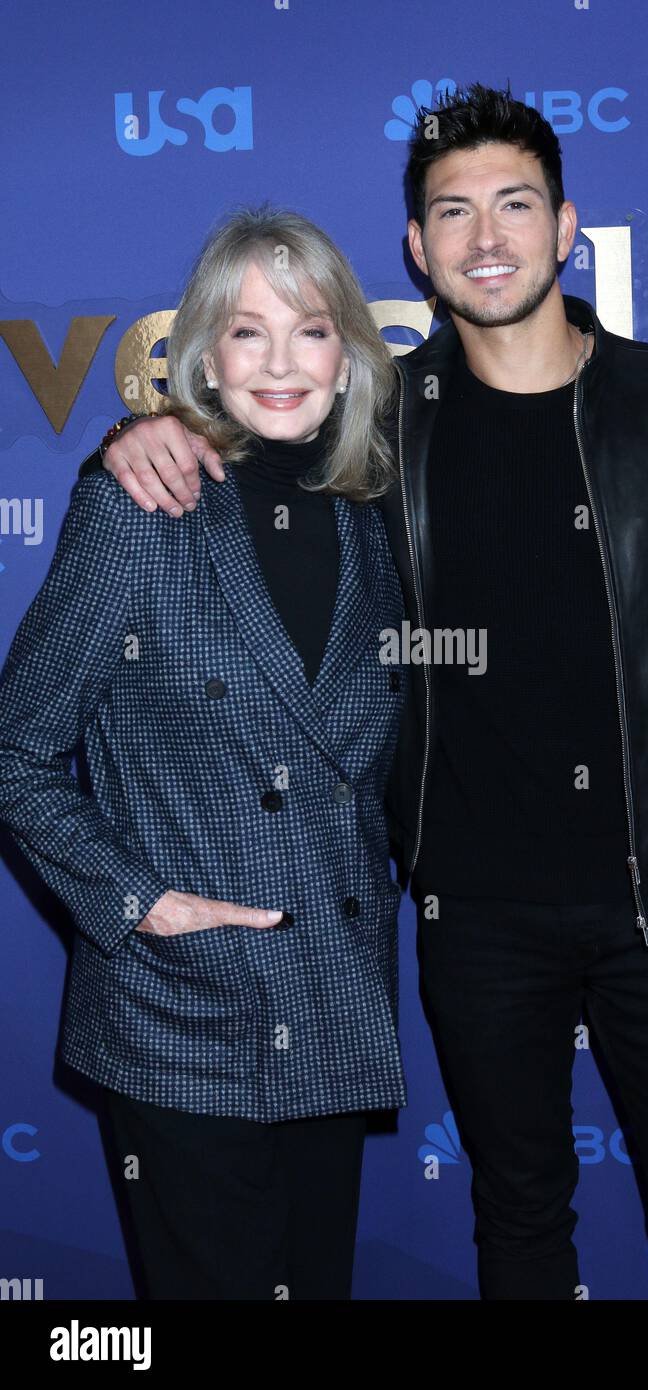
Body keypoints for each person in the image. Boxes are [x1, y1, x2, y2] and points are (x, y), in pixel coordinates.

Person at [80, 85, 648, 1302]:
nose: (486, 238)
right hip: (474, 919)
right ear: (415, 251)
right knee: (519, 1229)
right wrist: (126, 441)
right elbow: (236, 441)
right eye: (453, 213)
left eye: (513, 205)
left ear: (565, 226)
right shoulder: (383, 429)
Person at [0, 206, 408, 1301]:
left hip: (329, 1001)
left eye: (311, 329)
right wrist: (139, 900)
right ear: (203, 360)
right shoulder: (142, 505)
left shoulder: (373, 518)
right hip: (182, 1013)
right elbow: (14, 750)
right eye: (246, 332)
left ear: (348, 354)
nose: (280, 360)